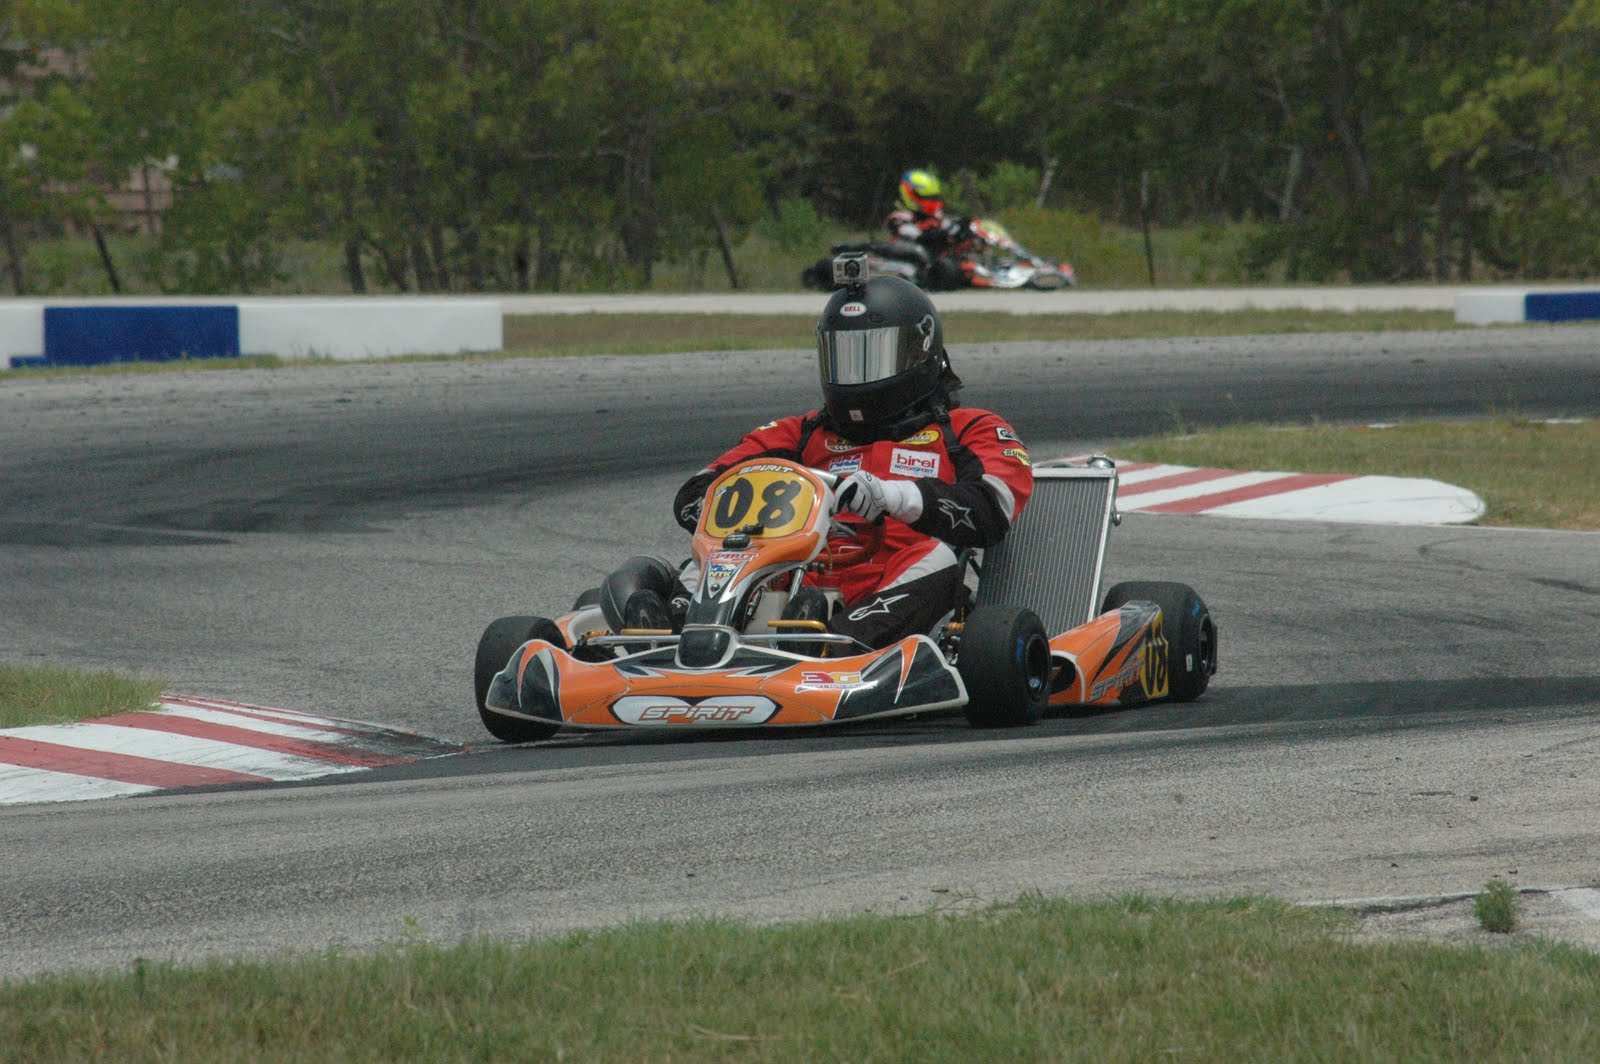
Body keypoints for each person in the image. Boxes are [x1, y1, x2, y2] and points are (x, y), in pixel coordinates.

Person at [630, 260, 1033, 651]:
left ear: (918, 353)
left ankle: (833, 647)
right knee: (720, 551)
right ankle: (675, 635)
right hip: (793, 580)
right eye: (844, 356)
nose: (856, 376)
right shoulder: (802, 433)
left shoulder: (967, 429)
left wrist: (893, 497)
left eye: (871, 357)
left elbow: (991, 509)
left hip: (898, 584)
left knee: (938, 556)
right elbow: (698, 491)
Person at [883, 168, 967, 289]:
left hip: (942, 261)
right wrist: (932, 232)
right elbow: (911, 232)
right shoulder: (899, 217)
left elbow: (949, 229)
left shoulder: (937, 218)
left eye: (934, 197)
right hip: (914, 262)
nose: (932, 201)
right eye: (928, 197)